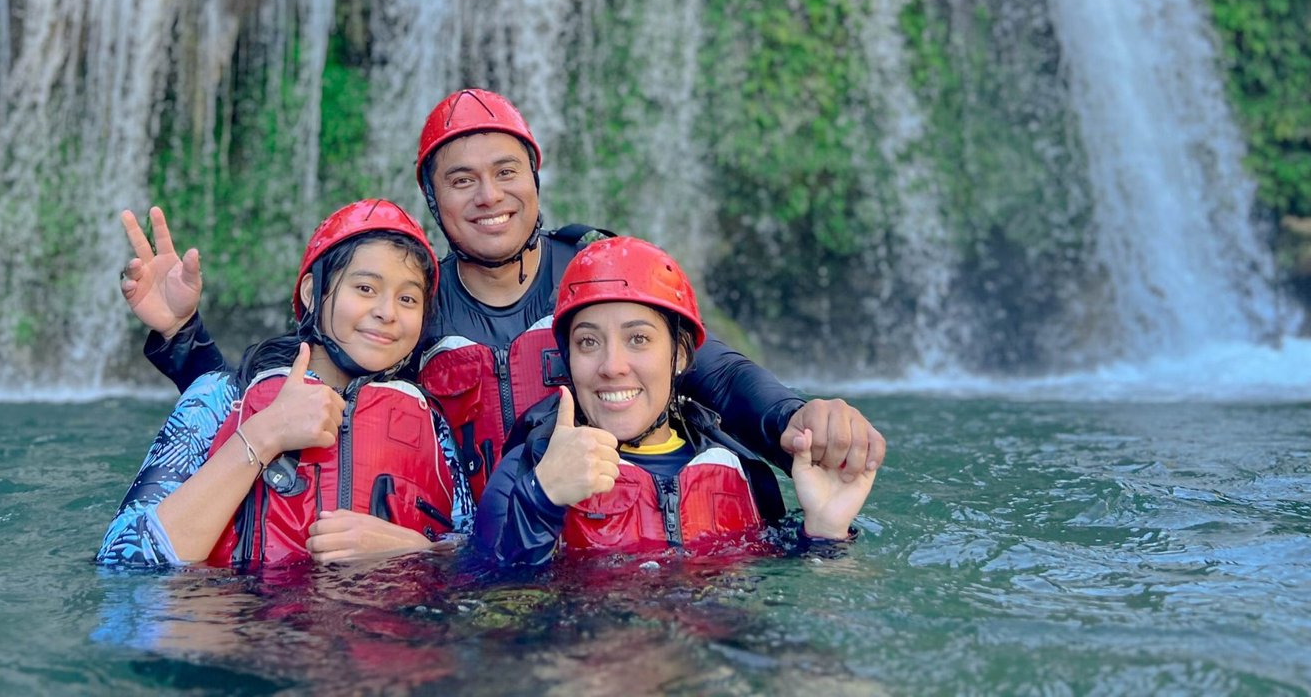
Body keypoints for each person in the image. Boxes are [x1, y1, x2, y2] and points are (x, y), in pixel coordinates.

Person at [123, 89, 886, 499]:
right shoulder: (409, 303)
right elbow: (287, 385)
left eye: (506, 172)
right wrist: (185, 335)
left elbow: (709, 368)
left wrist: (793, 417)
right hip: (479, 552)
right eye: (461, 180)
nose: (489, 196)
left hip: (606, 528)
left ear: (535, 180)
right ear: (434, 203)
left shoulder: (596, 271)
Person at [98, 199, 473, 569]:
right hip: (247, 621)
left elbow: (471, 554)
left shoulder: (431, 421)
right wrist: (264, 435)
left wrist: (416, 548)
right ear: (312, 293)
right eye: (365, 289)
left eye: (407, 298)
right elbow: (123, 558)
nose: (387, 313)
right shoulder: (221, 395)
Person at [474, 237, 875, 564]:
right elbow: (491, 613)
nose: (612, 366)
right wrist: (539, 502)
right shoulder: (525, 472)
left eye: (638, 339)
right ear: (570, 360)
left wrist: (825, 532)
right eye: (588, 342)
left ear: (679, 355)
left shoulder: (743, 474)